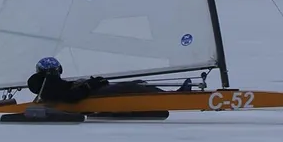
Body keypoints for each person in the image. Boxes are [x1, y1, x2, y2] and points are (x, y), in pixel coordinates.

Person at [26, 56, 191, 103]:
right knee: (134, 87)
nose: (56, 73)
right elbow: (70, 97)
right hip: (92, 97)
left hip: (92, 93)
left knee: (137, 84)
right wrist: (89, 86)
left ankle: (172, 95)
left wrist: (93, 82)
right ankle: (174, 96)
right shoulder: (46, 87)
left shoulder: (45, 84)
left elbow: (67, 88)